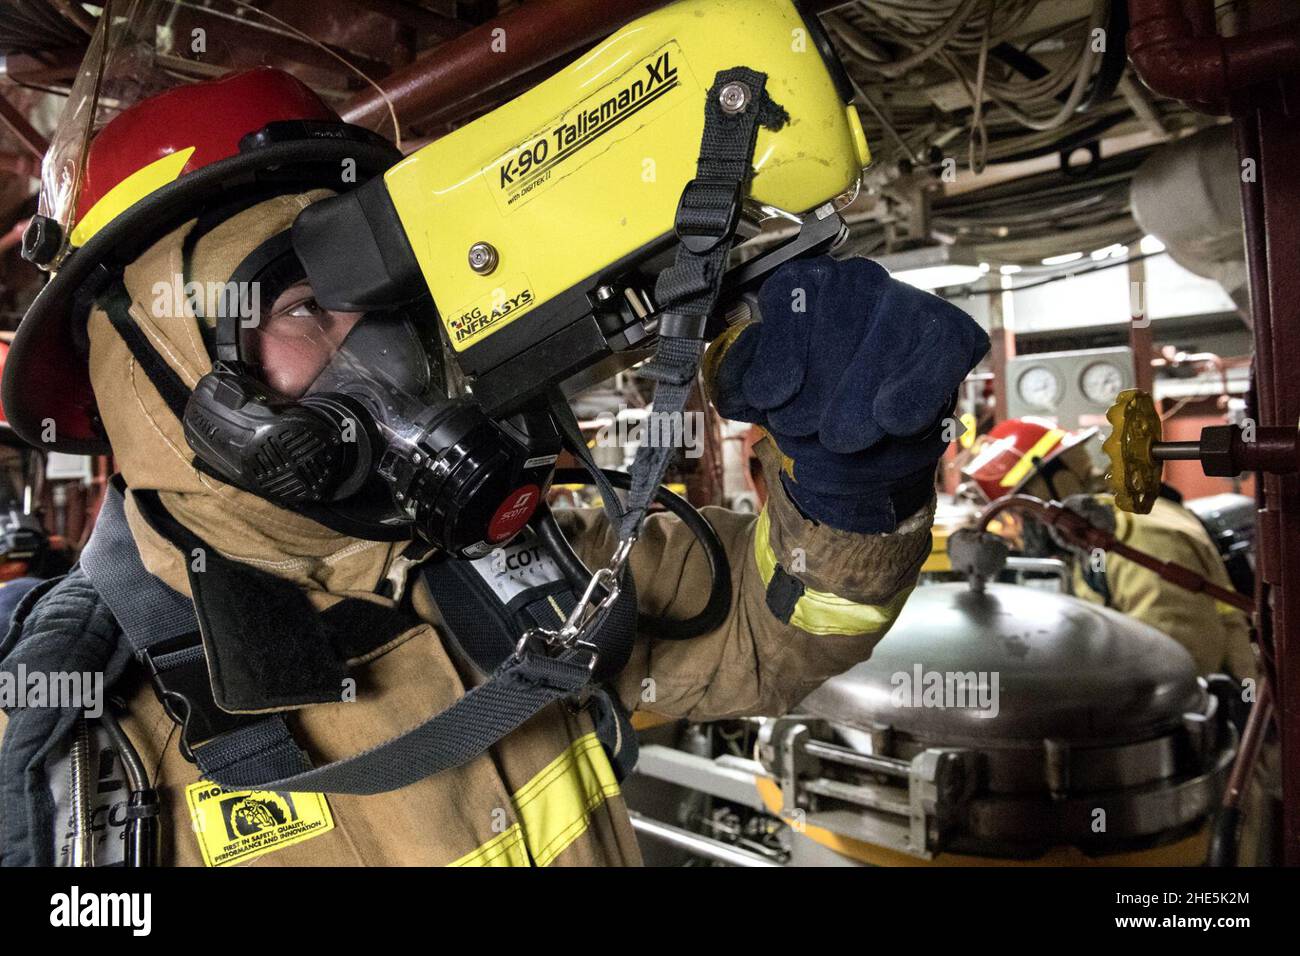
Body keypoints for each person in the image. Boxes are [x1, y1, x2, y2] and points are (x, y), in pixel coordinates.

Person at [0, 68, 988, 867]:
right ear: (151, 376)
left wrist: (855, 481)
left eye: (387, 310)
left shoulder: (524, 563)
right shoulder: (70, 726)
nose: (380, 356)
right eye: (305, 307)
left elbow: (781, 639)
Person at [962, 416, 1257, 681]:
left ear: (1053, 487)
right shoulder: (1086, 539)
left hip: (1223, 727)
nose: (1012, 536)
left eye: (1014, 516)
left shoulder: (1138, 534)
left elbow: (1180, 661)